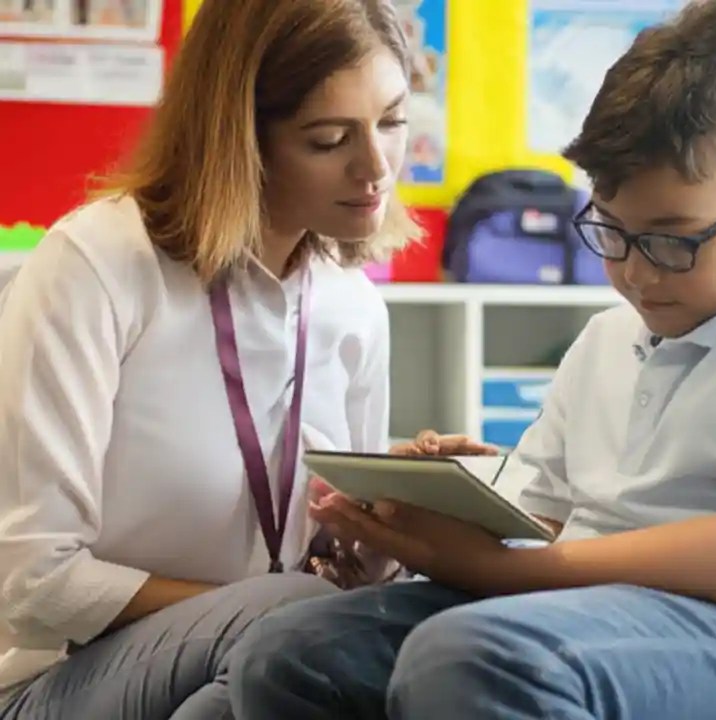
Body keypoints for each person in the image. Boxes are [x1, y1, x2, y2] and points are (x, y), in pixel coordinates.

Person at [227, 1, 716, 719]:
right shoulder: (609, 336)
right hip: (573, 607)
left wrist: (512, 570)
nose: (637, 274)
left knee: (468, 658)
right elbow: (541, 516)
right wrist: (444, 509)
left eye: (672, 241)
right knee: (289, 650)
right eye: (610, 233)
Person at [0, 2, 492, 718]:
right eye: (329, 139)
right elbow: (33, 581)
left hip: (250, 670)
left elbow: (338, 577)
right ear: (241, 141)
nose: (378, 168)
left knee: (406, 633)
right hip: (61, 682)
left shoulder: (351, 306)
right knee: (298, 637)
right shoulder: (97, 266)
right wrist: (281, 612)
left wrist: (390, 520)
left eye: (391, 120)